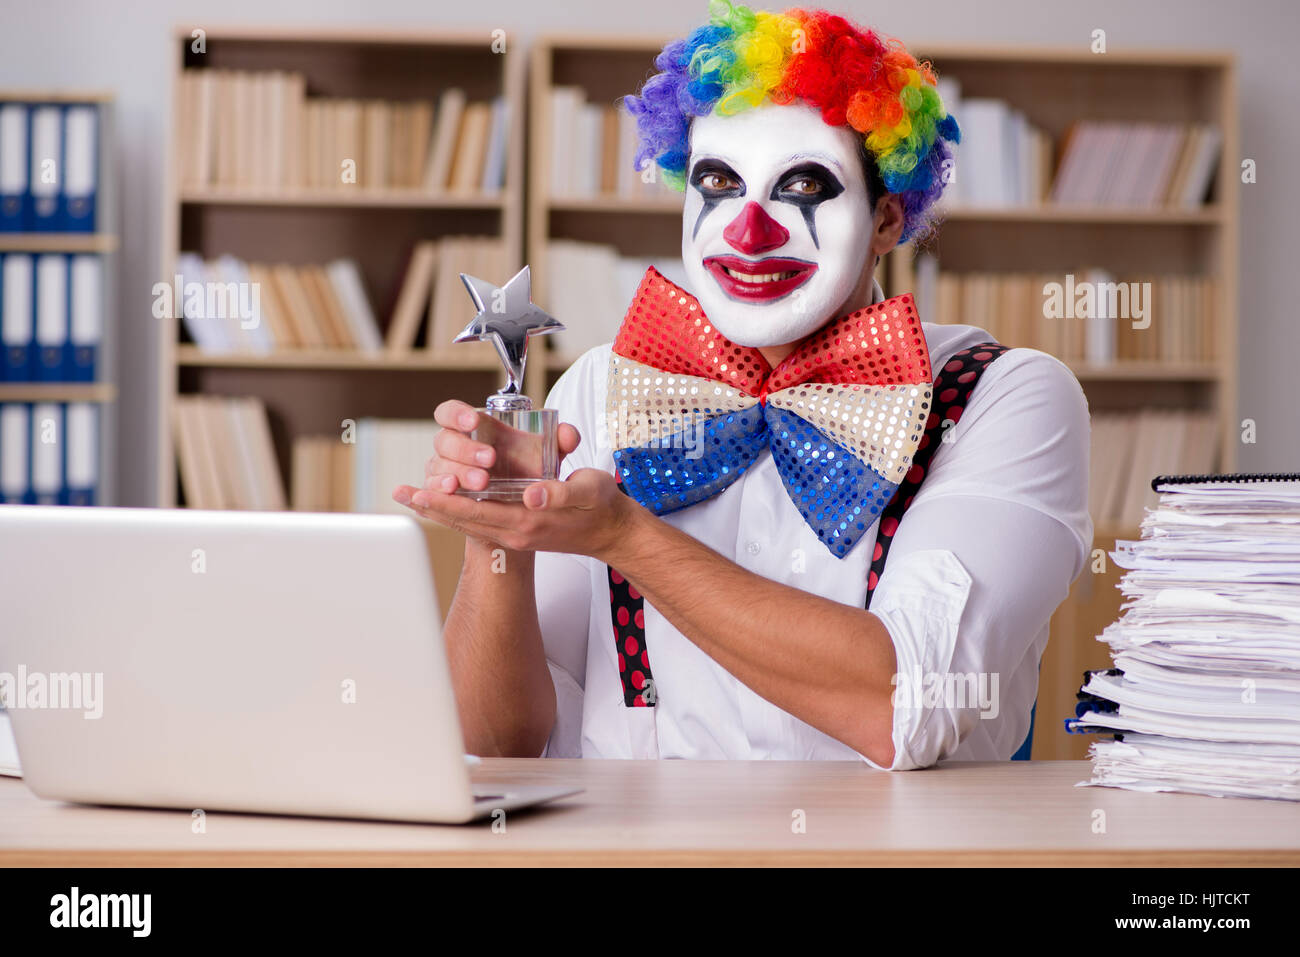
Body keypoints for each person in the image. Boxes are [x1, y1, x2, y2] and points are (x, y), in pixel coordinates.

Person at [393, 1, 1091, 769]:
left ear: (888, 220)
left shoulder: (1002, 396)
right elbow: (495, 749)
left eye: (803, 185)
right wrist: (499, 537)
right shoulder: (602, 386)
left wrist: (625, 536)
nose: (748, 231)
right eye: (720, 181)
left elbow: (908, 711)